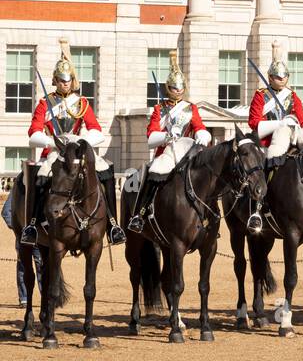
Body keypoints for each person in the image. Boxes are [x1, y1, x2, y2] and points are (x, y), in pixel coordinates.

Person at [20, 40, 124, 246]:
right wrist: (52, 141)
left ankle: (113, 224)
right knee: (41, 177)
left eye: (68, 80)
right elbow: (33, 133)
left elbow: (96, 130)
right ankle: (32, 224)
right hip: (54, 151)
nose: (65, 84)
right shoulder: (45, 103)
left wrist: (81, 141)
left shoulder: (81, 102)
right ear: (55, 80)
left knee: (106, 171)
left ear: (72, 81)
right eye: (61, 80)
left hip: (76, 150)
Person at [127, 51, 212, 234]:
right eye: (174, 88)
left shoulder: (191, 108)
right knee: (154, 171)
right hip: (166, 153)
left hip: (187, 152)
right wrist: (166, 136)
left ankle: (210, 216)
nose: (178, 91)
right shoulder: (160, 109)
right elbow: (151, 136)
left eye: (181, 88)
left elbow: (199, 126)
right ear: (168, 88)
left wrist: (202, 135)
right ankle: (140, 214)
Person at [246, 42, 303, 233]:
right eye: (278, 76)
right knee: (258, 171)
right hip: (268, 143)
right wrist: (279, 124)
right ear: (270, 77)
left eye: (284, 76)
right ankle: (257, 210)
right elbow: (254, 122)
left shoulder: (292, 96)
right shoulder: (261, 96)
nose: (281, 79)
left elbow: (302, 117)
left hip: (292, 139)